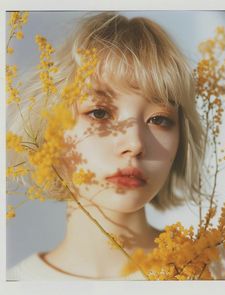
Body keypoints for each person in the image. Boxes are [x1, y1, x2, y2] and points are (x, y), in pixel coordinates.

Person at [7, 11, 205, 280]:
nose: (135, 144)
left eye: (159, 119)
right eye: (100, 113)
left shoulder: (215, 271)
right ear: (51, 127)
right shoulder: (16, 283)